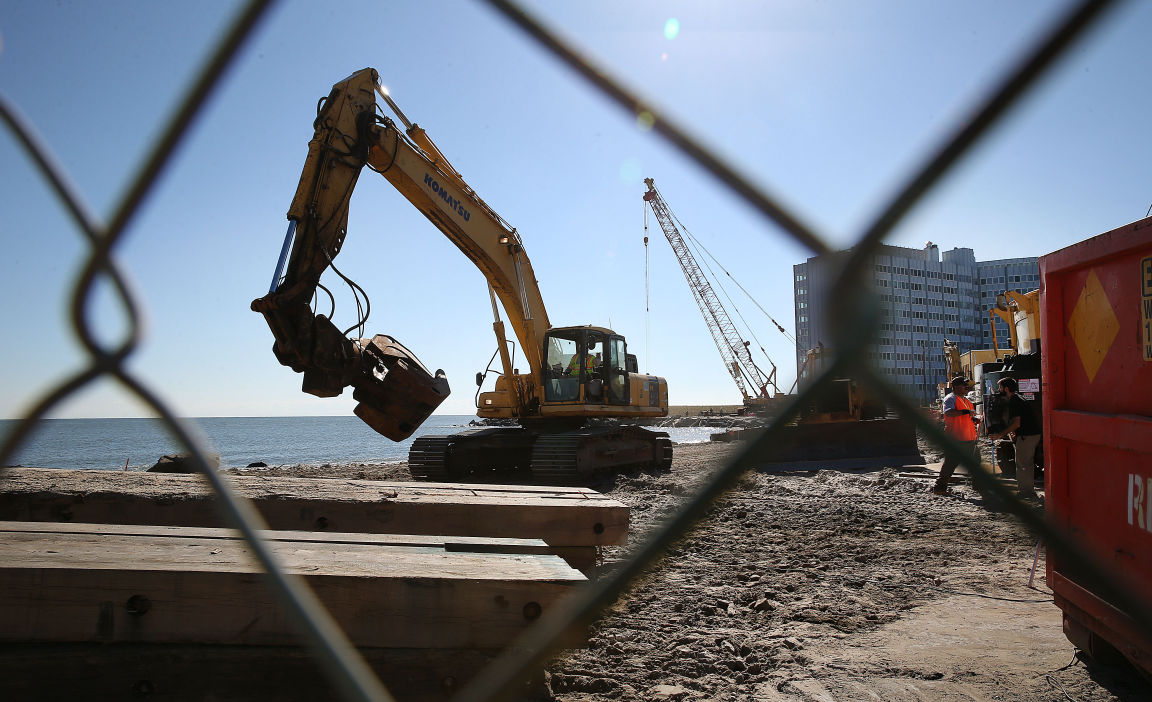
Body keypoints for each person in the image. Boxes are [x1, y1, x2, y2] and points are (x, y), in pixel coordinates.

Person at [987, 377, 1042, 500]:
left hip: (1027, 435)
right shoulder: (1018, 398)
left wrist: (1000, 435)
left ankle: (1025, 492)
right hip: (1030, 434)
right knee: (1026, 463)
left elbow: (1016, 423)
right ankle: (1028, 490)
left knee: (1023, 464)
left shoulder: (1014, 401)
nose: (999, 390)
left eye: (1000, 387)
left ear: (1006, 389)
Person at [933, 375, 981, 495]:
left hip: (969, 438)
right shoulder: (950, 399)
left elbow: (967, 416)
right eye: (963, 385)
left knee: (976, 461)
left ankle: (978, 486)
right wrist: (966, 412)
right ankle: (939, 487)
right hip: (956, 438)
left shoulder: (967, 401)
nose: (966, 386)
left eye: (966, 384)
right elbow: (949, 413)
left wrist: (974, 419)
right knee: (950, 463)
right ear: (955, 387)